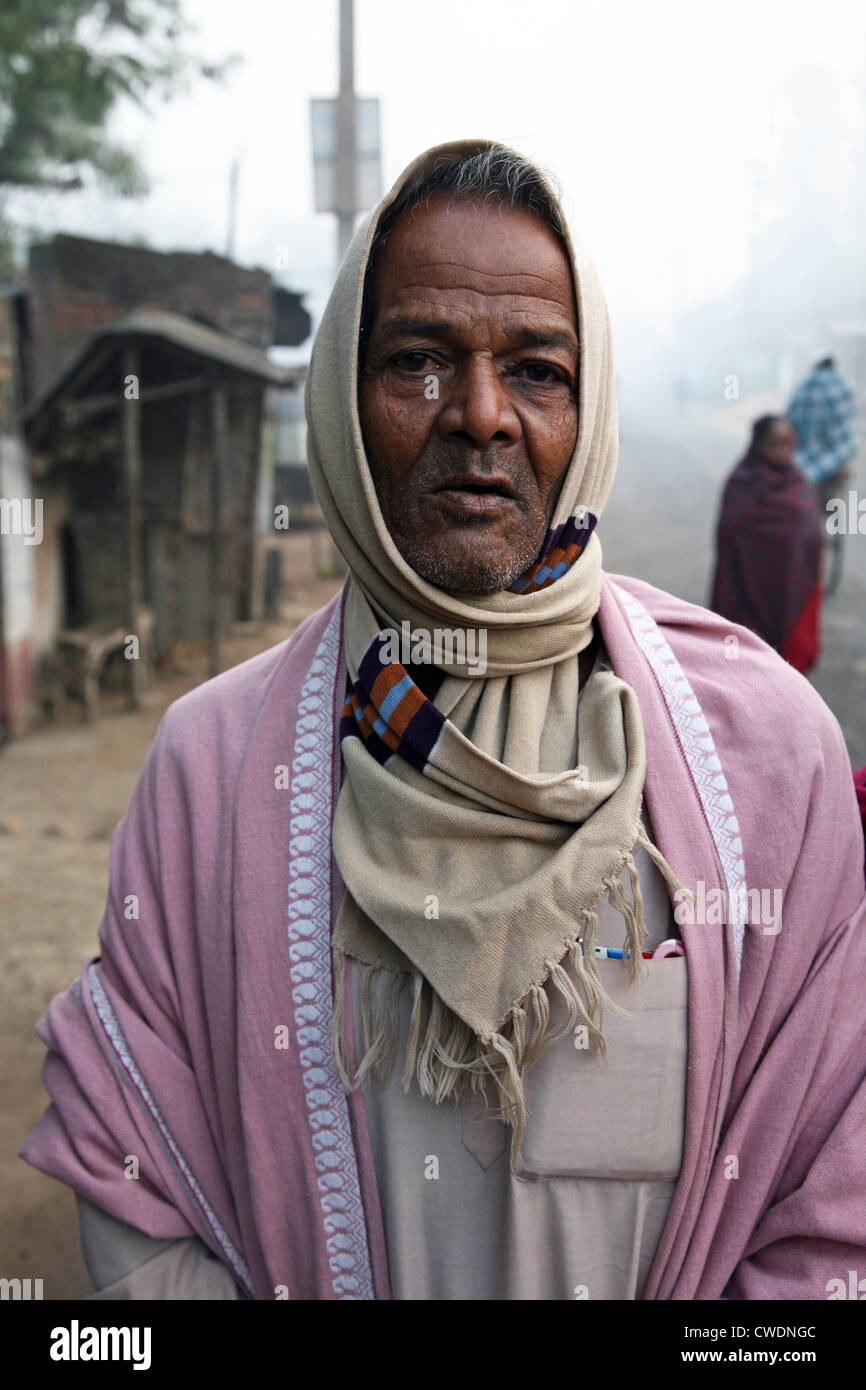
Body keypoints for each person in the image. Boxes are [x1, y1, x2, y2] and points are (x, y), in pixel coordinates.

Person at [20, 140, 866, 1301]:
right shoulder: (212, 770)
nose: (480, 415)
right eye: (418, 360)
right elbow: (134, 1180)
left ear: (590, 403)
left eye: (536, 370)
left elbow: (831, 1211)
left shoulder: (765, 755)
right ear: (340, 397)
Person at [709, 415, 824, 674]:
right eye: (775, 444)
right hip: (746, 586)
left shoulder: (798, 482)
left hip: (790, 585)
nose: (783, 452)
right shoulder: (742, 482)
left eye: (788, 444)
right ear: (758, 445)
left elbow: (810, 534)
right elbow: (729, 533)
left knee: (787, 668)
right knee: (748, 666)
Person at [787, 355, 858, 517]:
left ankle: (815, 534)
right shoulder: (843, 385)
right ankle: (833, 537)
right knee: (834, 503)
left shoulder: (804, 386)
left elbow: (790, 421)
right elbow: (848, 422)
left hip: (806, 461)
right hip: (838, 460)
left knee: (811, 505)